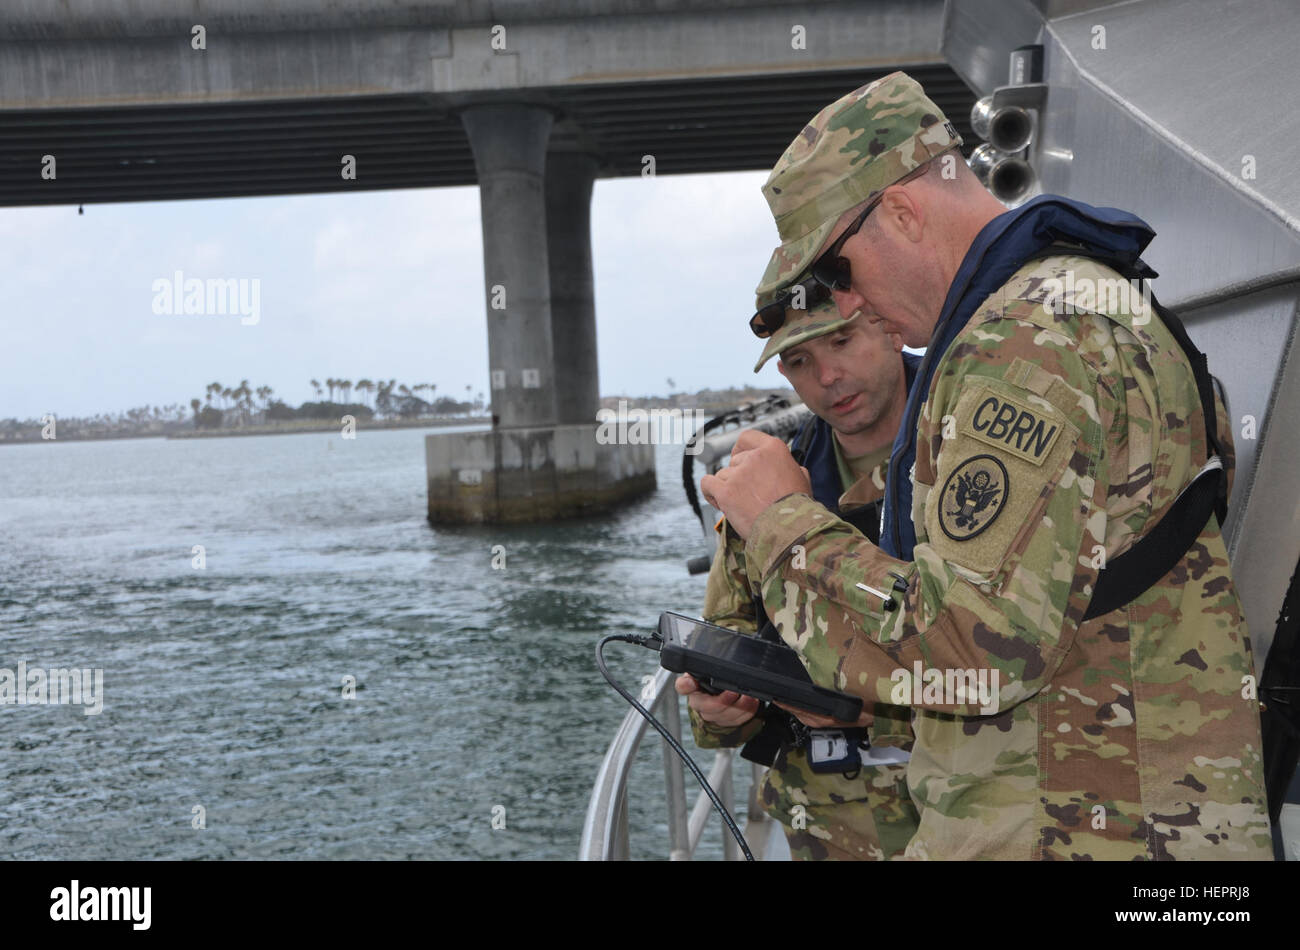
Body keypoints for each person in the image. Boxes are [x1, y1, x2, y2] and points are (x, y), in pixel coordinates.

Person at [701, 71, 1272, 860]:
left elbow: (978, 651)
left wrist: (777, 522)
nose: (852, 304)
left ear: (899, 212)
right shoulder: (1100, 297)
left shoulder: (1017, 345)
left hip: (1067, 825)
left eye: (839, 274)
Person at [677, 279, 922, 860]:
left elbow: (1016, 651)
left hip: (973, 823)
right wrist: (719, 710)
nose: (827, 376)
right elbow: (729, 635)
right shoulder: (766, 484)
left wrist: (875, 709)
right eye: (800, 359)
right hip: (826, 830)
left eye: (841, 341)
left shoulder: (973, 455)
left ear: (892, 327)